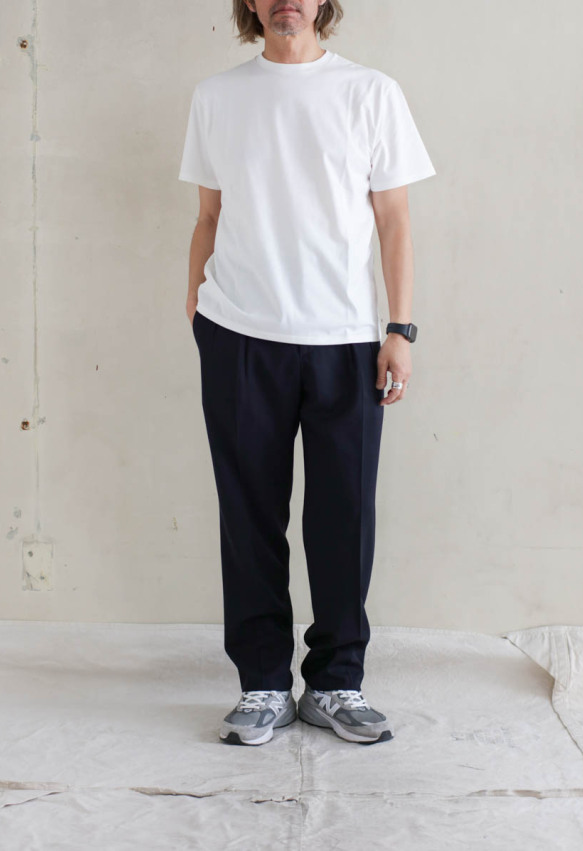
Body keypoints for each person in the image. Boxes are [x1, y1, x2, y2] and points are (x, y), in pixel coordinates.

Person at [178, 0, 436, 746]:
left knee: (343, 517)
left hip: (345, 339)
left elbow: (394, 218)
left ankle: (335, 682)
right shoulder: (217, 96)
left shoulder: (370, 92)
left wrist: (400, 329)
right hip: (239, 335)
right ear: (250, 4)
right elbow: (208, 215)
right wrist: (197, 311)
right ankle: (262, 682)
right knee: (248, 516)